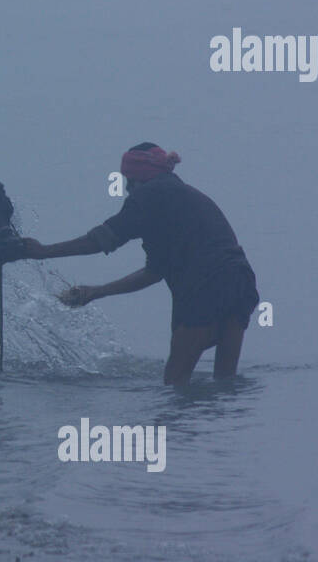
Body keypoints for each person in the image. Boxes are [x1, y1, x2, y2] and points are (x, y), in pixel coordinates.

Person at [23, 143, 259, 385]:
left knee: (175, 384)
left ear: (140, 177)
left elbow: (101, 239)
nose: (126, 189)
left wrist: (44, 252)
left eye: (128, 179)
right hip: (240, 282)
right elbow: (154, 272)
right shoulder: (179, 198)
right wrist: (96, 292)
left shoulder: (150, 195)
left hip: (205, 285)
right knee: (225, 382)